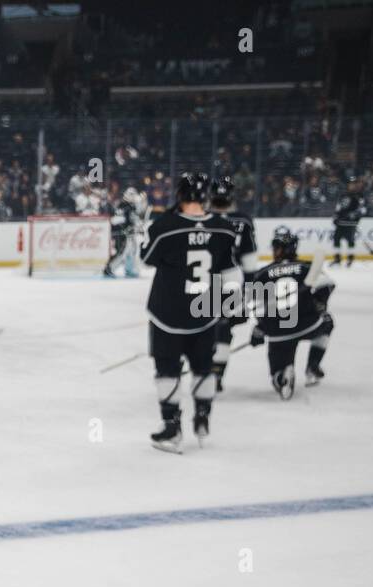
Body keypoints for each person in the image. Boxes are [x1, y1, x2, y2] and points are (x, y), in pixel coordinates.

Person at [140, 171, 237, 452]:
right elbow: (231, 271)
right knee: (203, 368)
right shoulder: (222, 228)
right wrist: (230, 305)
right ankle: (203, 419)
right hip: (205, 314)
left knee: (167, 369)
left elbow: (147, 259)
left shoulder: (166, 226)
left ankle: (171, 428)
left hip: (167, 313)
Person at [245, 227, 335, 398]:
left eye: (276, 247)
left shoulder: (262, 273)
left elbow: (253, 303)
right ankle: (312, 366)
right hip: (308, 325)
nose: (274, 251)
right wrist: (319, 303)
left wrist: (260, 328)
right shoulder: (306, 267)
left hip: (277, 331)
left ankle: (281, 376)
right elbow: (327, 285)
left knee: (277, 368)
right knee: (327, 321)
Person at [207, 176, 258, 391]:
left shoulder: (200, 217)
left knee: (199, 329)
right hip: (231, 280)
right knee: (224, 329)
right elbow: (249, 258)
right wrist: (249, 287)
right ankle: (217, 374)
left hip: (199, 281)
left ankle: (200, 368)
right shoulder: (243, 220)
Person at [331, 176, 366, 268]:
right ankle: (337, 259)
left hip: (351, 223)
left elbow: (363, 210)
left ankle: (350, 259)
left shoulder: (359, 196)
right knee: (336, 240)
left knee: (350, 241)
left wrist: (355, 215)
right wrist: (335, 216)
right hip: (341, 222)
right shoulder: (343, 195)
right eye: (350, 184)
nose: (352, 186)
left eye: (353, 184)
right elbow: (338, 207)